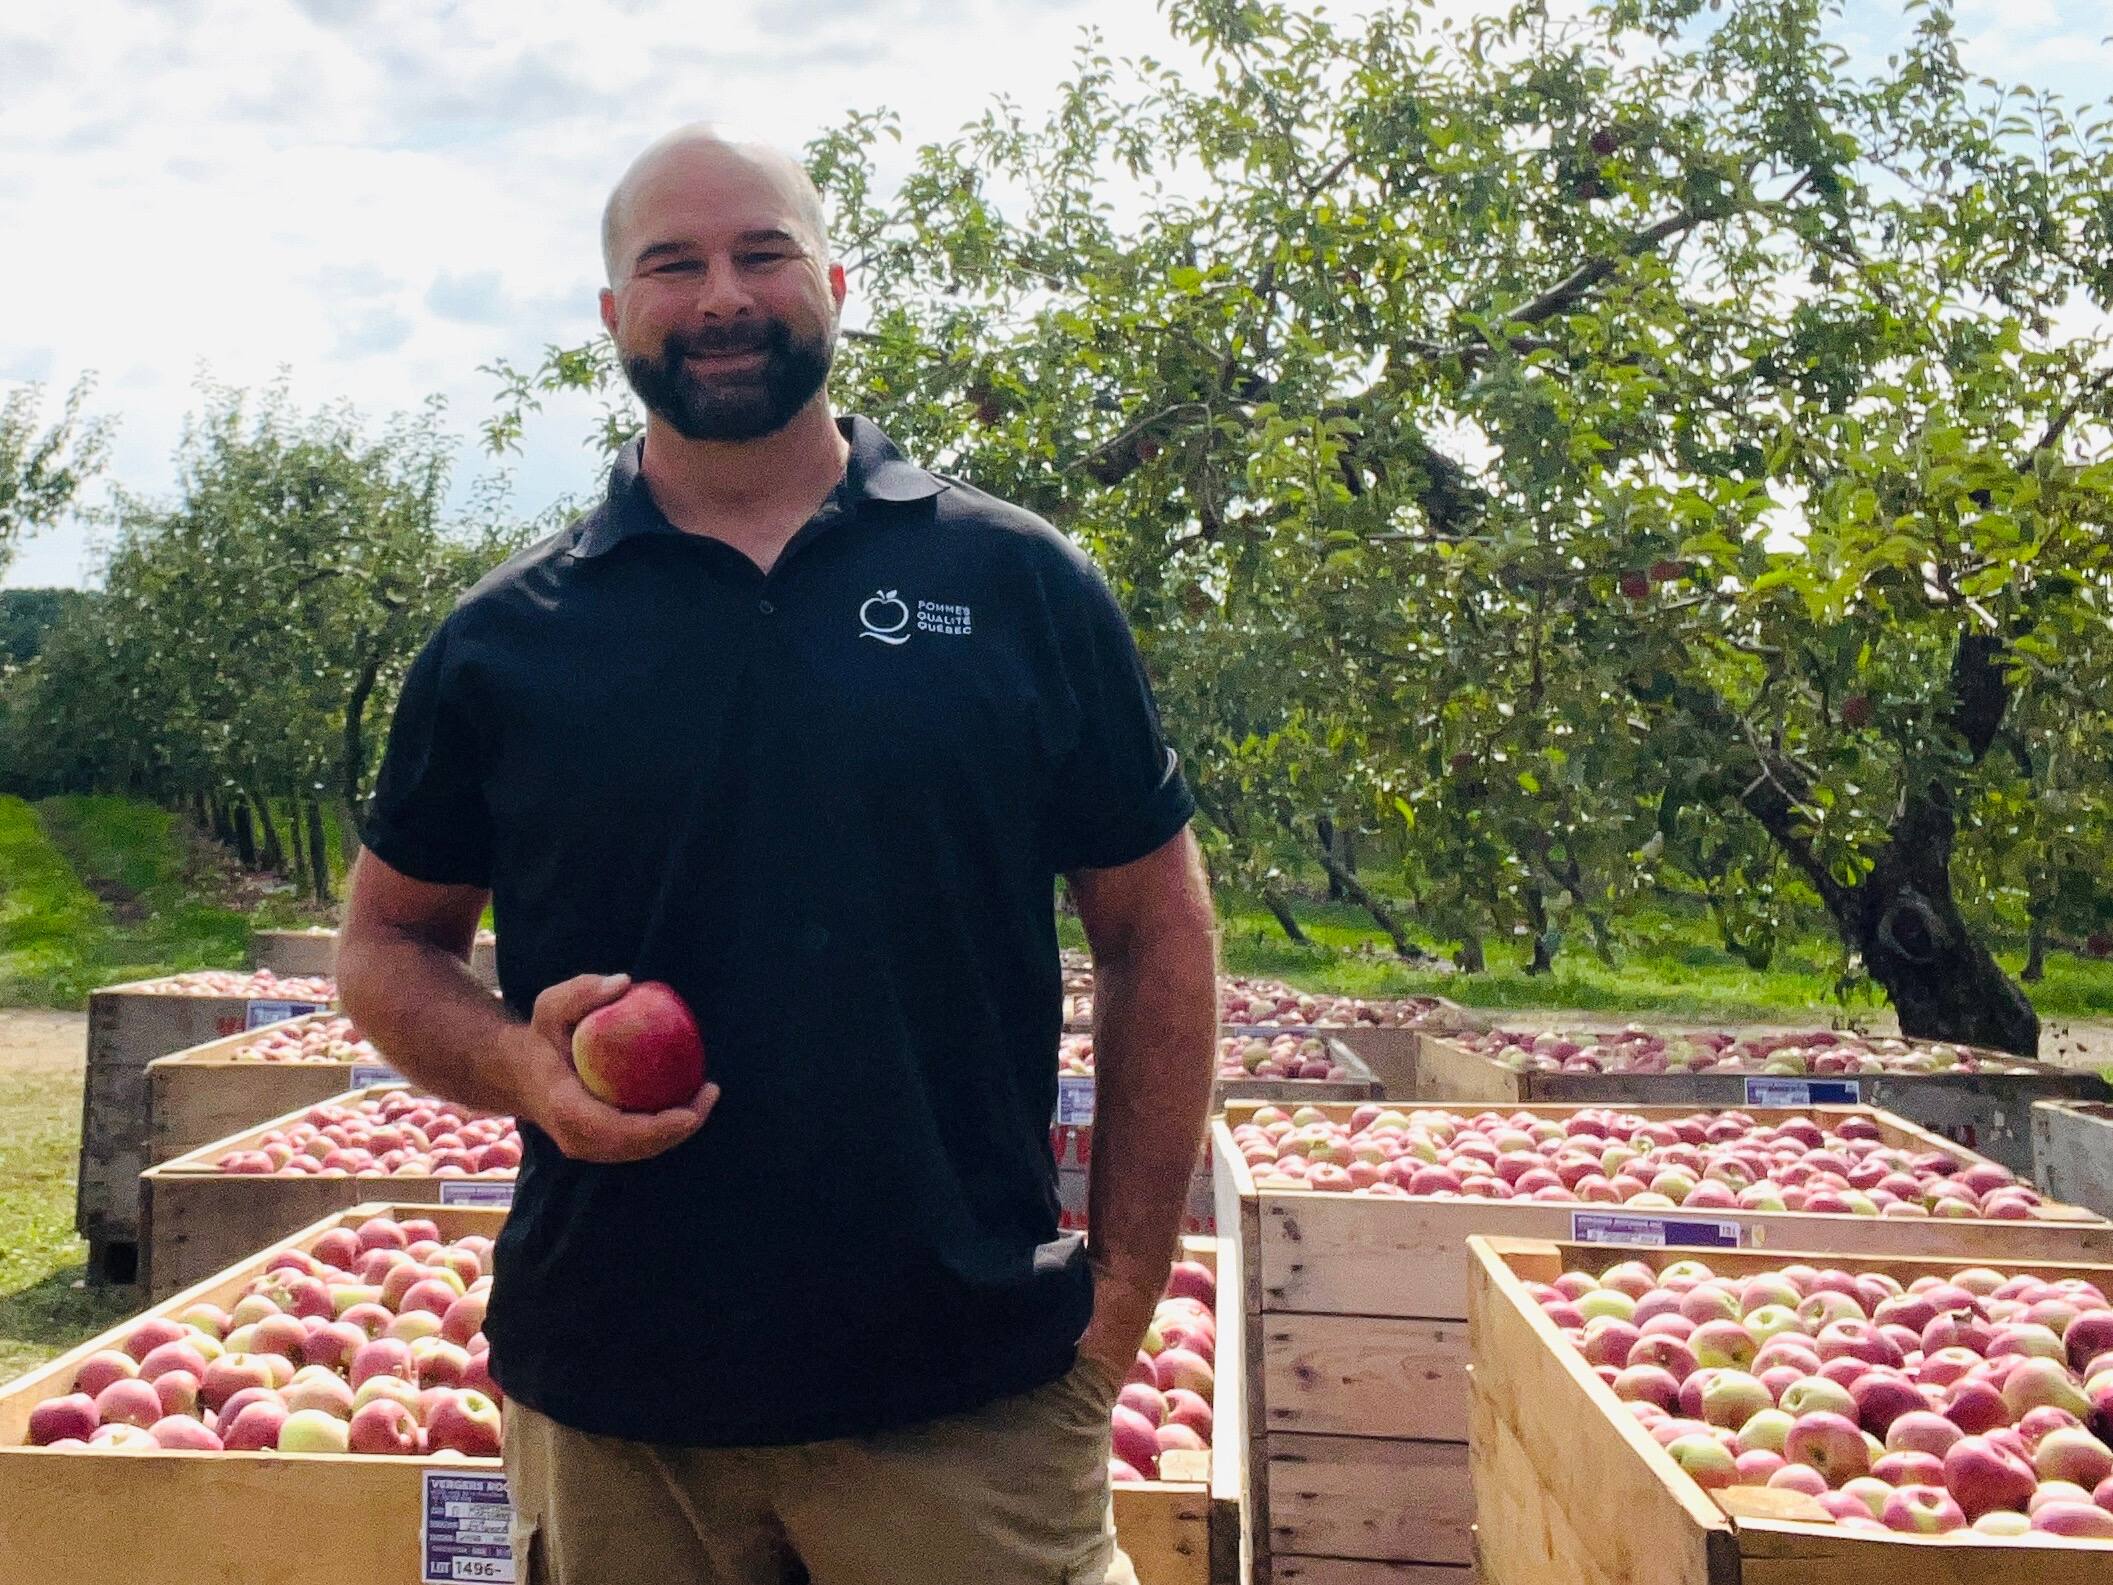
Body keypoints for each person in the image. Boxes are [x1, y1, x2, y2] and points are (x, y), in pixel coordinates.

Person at [336, 124, 1219, 1585]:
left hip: (971, 1398)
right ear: (612, 317)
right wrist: (517, 1070)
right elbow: (384, 941)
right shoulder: (507, 641)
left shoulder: (1013, 583)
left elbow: (1157, 931)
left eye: (762, 253)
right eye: (670, 264)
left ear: (835, 281)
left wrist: (1118, 1299)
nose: (722, 295)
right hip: (619, 1407)